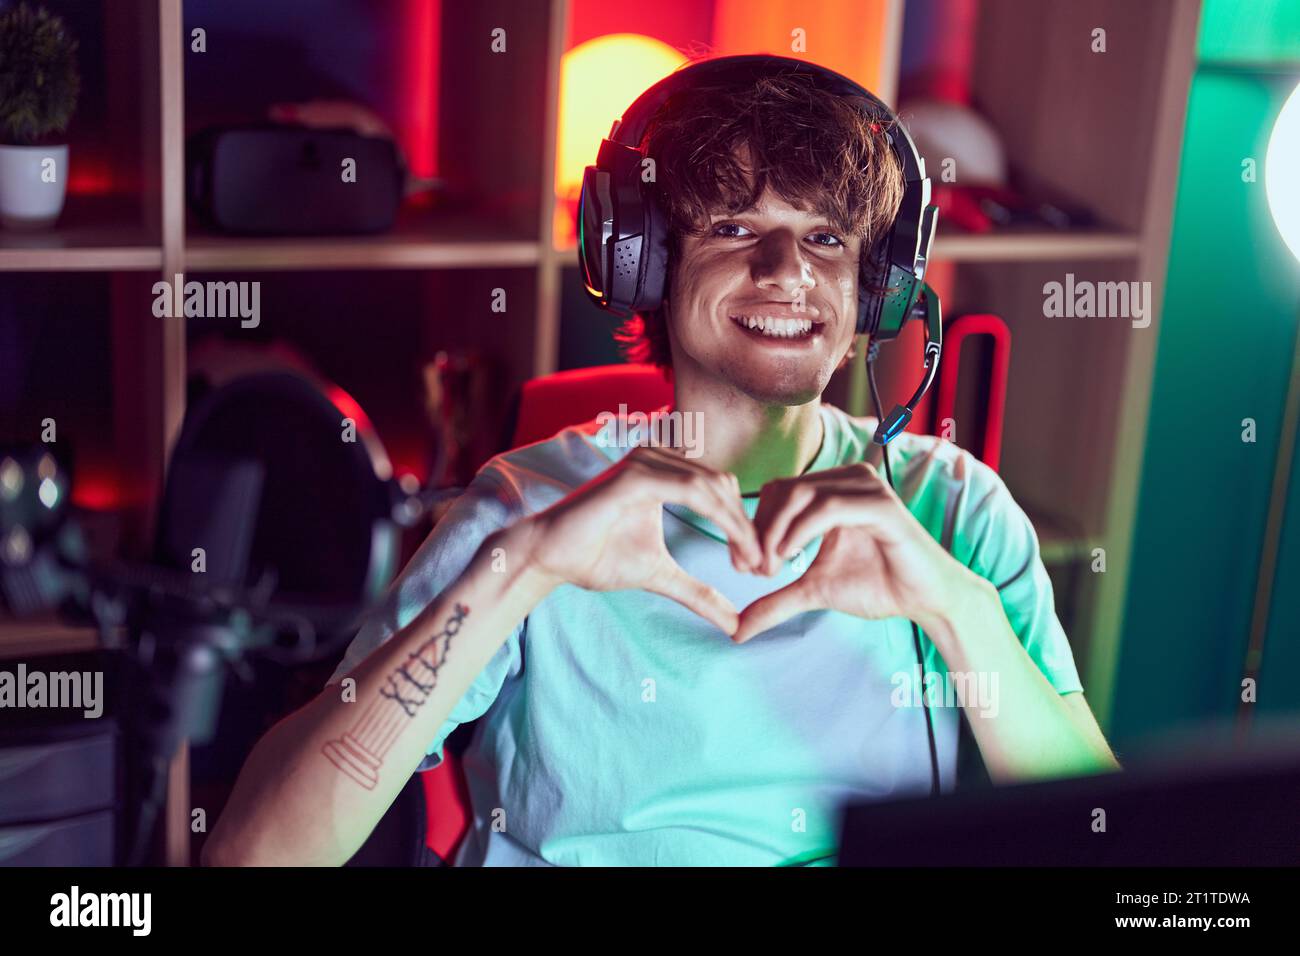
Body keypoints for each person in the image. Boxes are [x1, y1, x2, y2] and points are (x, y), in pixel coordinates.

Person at [202, 59, 1118, 869]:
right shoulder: (530, 508)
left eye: (829, 239)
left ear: (878, 287)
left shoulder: (952, 508)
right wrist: (523, 570)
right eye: (732, 226)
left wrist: (955, 609)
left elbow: (1110, 844)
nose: (787, 270)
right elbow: (257, 853)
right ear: (640, 260)